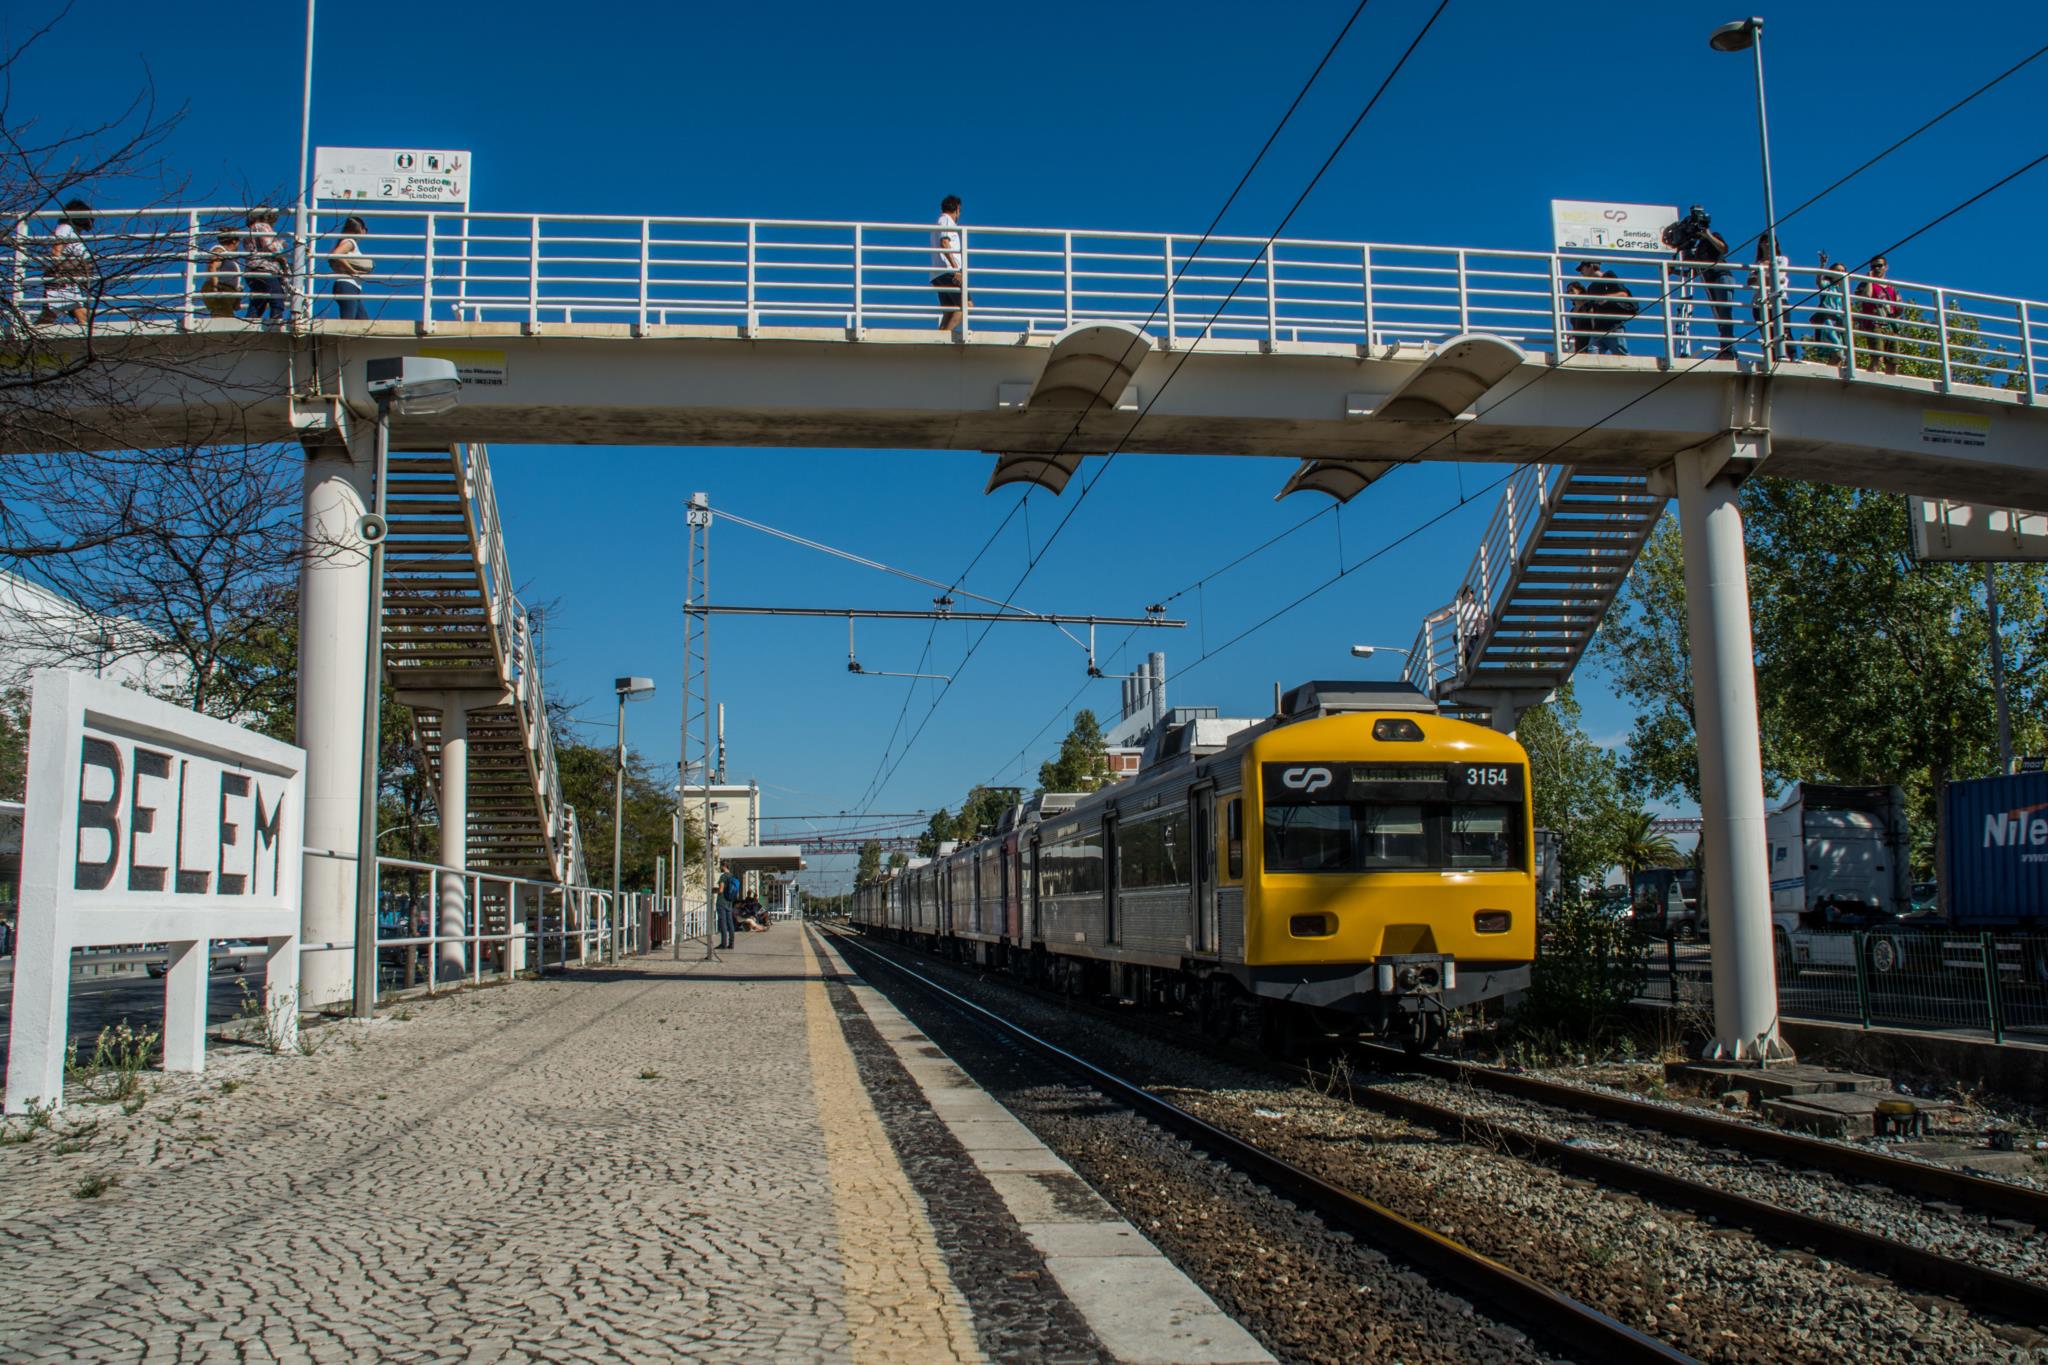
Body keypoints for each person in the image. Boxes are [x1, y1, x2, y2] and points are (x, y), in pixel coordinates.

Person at [1663, 206, 1733, 360]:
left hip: (1721, 276)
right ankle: (1726, 348)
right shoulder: (1696, 248)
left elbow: (1723, 248)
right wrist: (1673, 271)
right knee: (1720, 315)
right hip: (1710, 280)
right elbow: (1691, 272)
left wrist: (1707, 234)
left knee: (1724, 313)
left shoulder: (1713, 236)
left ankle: (1729, 349)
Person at [37, 200, 95, 325]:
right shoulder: (65, 228)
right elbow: (57, 249)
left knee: (51, 311)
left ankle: (34, 335)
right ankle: (90, 335)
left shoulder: (71, 232)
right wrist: (59, 272)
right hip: (65, 276)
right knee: (77, 308)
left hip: (69, 276)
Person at [1748, 233, 1800, 362]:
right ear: (1760, 245)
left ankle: (1792, 356)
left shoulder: (1781, 259)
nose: (1768, 245)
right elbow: (1750, 281)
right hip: (1760, 301)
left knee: (1784, 328)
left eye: (1771, 241)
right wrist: (1767, 276)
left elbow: (1776, 279)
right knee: (1767, 332)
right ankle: (1772, 357)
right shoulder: (1757, 263)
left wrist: (1762, 276)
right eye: (1765, 242)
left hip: (1778, 300)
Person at [1856, 255, 1903, 375]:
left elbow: (1899, 308)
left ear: (1886, 267)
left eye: (1879, 265)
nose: (1877, 268)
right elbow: (1866, 297)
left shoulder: (1892, 287)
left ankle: (1891, 385)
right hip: (1874, 324)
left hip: (1890, 327)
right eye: (1874, 266)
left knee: (1893, 361)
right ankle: (1870, 378)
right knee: (1877, 356)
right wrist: (1870, 280)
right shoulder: (1865, 284)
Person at [1575, 260, 1633, 356]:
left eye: (1582, 268)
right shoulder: (1591, 288)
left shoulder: (1608, 276)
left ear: (1591, 266)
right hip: (1598, 328)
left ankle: (1631, 370)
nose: (1581, 272)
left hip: (1612, 325)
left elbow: (1623, 294)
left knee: (1621, 353)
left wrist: (1605, 298)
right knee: (1592, 354)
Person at [243, 209, 290, 326]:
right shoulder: (262, 226)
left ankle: (249, 326)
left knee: (258, 301)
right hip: (265, 268)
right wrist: (281, 244)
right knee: (277, 297)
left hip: (252, 268)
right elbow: (271, 247)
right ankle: (275, 324)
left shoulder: (250, 231)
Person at [931, 194, 971, 330]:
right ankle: (944, 340)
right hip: (949, 271)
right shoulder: (946, 220)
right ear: (957, 208)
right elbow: (944, 242)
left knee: (950, 311)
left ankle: (939, 339)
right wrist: (956, 269)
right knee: (966, 305)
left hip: (940, 273)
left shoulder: (940, 221)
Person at [327, 216, 374, 320]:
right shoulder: (350, 241)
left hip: (352, 287)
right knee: (348, 321)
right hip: (347, 285)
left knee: (363, 322)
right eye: (365, 229)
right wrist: (353, 271)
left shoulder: (347, 242)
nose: (366, 232)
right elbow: (336, 254)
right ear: (359, 229)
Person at [1810, 252, 1849, 357]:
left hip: (1838, 322)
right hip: (1827, 320)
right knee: (1837, 348)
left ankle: (1833, 368)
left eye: (1842, 271)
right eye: (1837, 271)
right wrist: (1822, 265)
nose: (1840, 273)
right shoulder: (1828, 285)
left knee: (1840, 354)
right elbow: (1819, 282)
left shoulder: (1843, 289)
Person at [201, 228, 243, 318]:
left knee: (224, 318)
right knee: (223, 319)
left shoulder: (229, 256)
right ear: (234, 241)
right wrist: (215, 287)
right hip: (221, 289)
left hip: (227, 293)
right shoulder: (220, 250)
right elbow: (213, 266)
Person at [716, 863, 741, 949]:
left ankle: (723, 944)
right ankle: (731, 943)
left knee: (723, 922)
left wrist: (715, 890)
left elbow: (721, 890)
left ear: (724, 866)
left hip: (722, 902)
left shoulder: (723, 876)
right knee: (730, 923)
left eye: (720, 866)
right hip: (730, 903)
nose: (720, 868)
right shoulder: (733, 877)